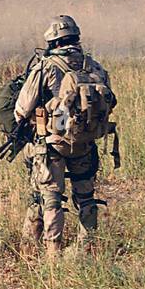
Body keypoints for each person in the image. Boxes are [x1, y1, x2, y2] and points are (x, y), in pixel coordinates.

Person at [14, 16, 117, 258]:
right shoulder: (95, 67)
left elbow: (22, 108)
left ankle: (53, 253)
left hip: (52, 144)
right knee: (86, 196)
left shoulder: (46, 66)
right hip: (85, 144)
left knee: (50, 197)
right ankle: (87, 248)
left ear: (53, 42)